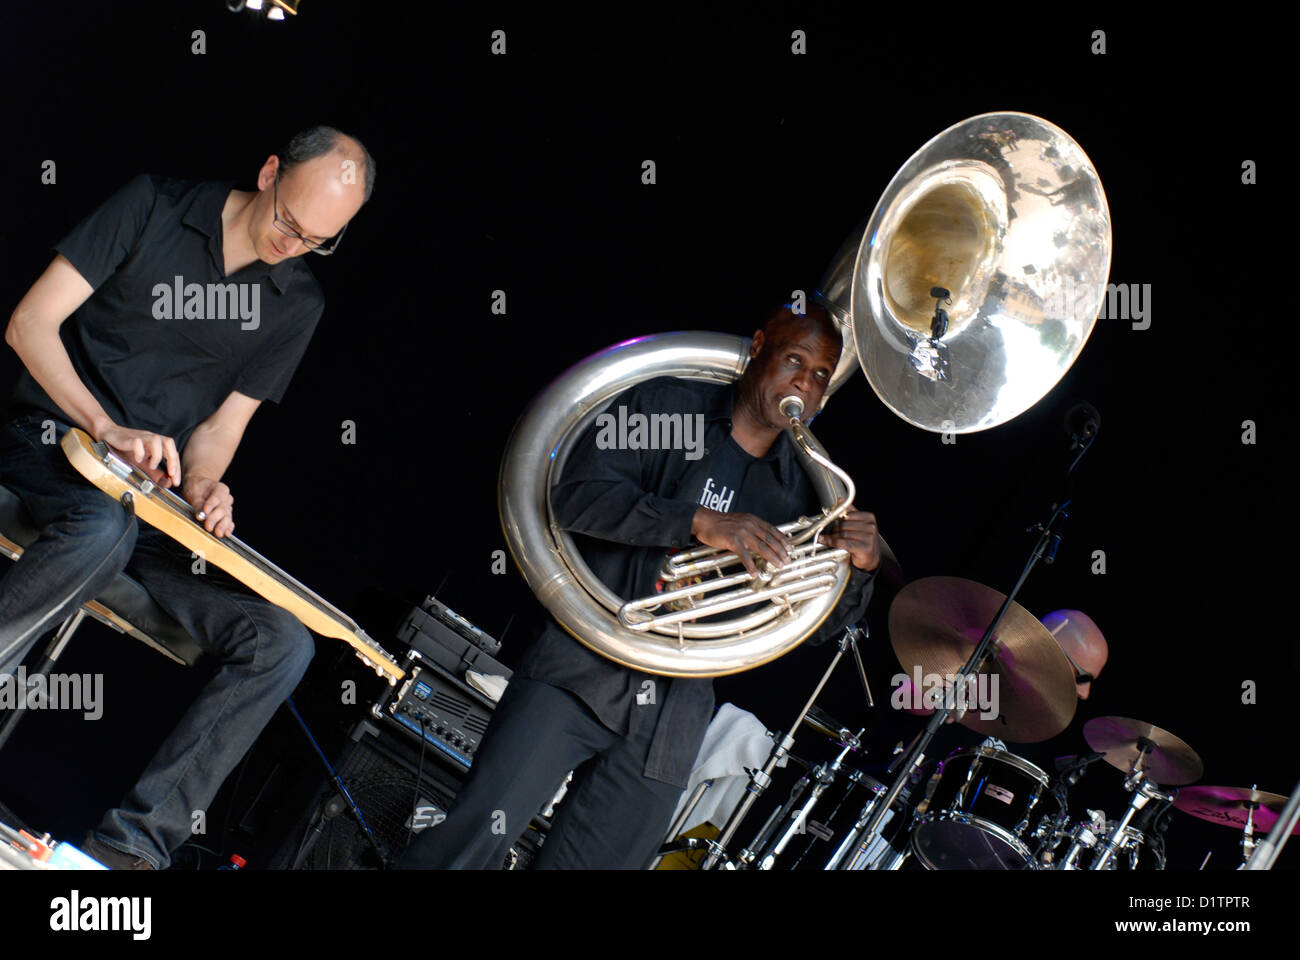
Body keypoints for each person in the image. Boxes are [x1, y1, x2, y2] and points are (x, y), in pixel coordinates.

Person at [0, 126, 374, 869]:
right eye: (288, 223)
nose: (293, 247)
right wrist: (104, 424)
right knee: (99, 525)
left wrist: (207, 484)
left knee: (282, 644)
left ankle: (132, 848)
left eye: (318, 242)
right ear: (269, 170)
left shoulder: (297, 302)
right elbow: (28, 324)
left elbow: (218, 429)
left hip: (145, 507)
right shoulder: (153, 204)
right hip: (50, 448)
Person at [399, 303, 883, 870]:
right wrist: (698, 522)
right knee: (465, 850)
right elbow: (575, 493)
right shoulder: (665, 406)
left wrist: (859, 570)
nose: (804, 381)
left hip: (672, 723)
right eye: (794, 360)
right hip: (579, 670)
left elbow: (814, 626)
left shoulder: (803, 491)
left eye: (821, 374)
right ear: (757, 348)